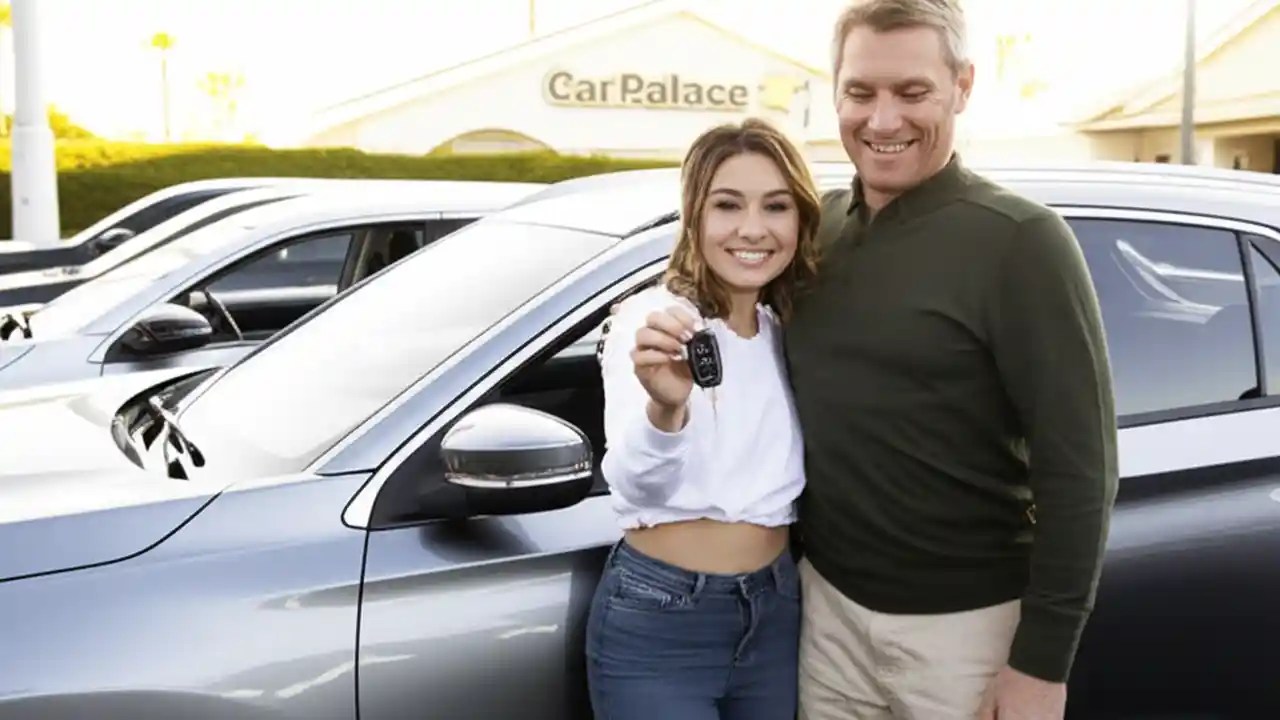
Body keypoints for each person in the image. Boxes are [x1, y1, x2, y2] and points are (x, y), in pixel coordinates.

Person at [783, 1, 1119, 719]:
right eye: (860, 92)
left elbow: (1080, 468)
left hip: (965, 637)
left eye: (912, 93)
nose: (881, 121)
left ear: (962, 87)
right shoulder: (820, 230)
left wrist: (1041, 666)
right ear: (834, 88)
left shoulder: (1021, 241)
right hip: (827, 617)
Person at [585, 117, 821, 720]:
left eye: (776, 206)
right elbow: (639, 486)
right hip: (663, 620)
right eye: (727, 205)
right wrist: (667, 406)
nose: (752, 229)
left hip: (776, 608)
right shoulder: (657, 321)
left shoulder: (782, 329)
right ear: (694, 216)